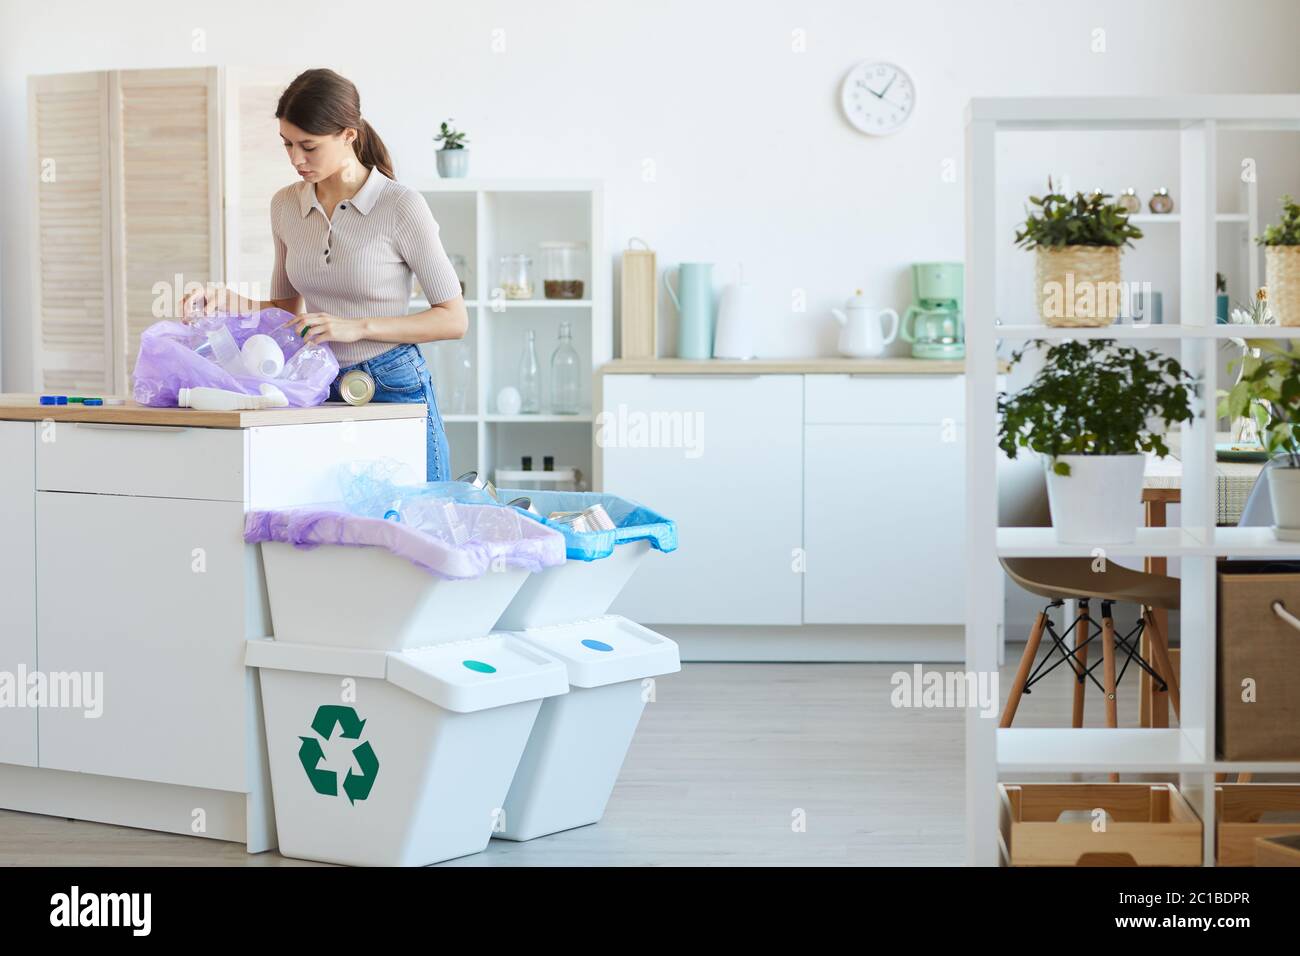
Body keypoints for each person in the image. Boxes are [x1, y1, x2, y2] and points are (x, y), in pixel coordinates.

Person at [181, 68, 466, 481]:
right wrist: (227, 299)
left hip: (392, 383)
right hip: (316, 382)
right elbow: (284, 309)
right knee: (334, 525)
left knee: (417, 523)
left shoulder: (401, 207)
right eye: (288, 145)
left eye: (308, 146)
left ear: (348, 135)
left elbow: (454, 319)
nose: (296, 159)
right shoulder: (285, 206)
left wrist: (355, 327)